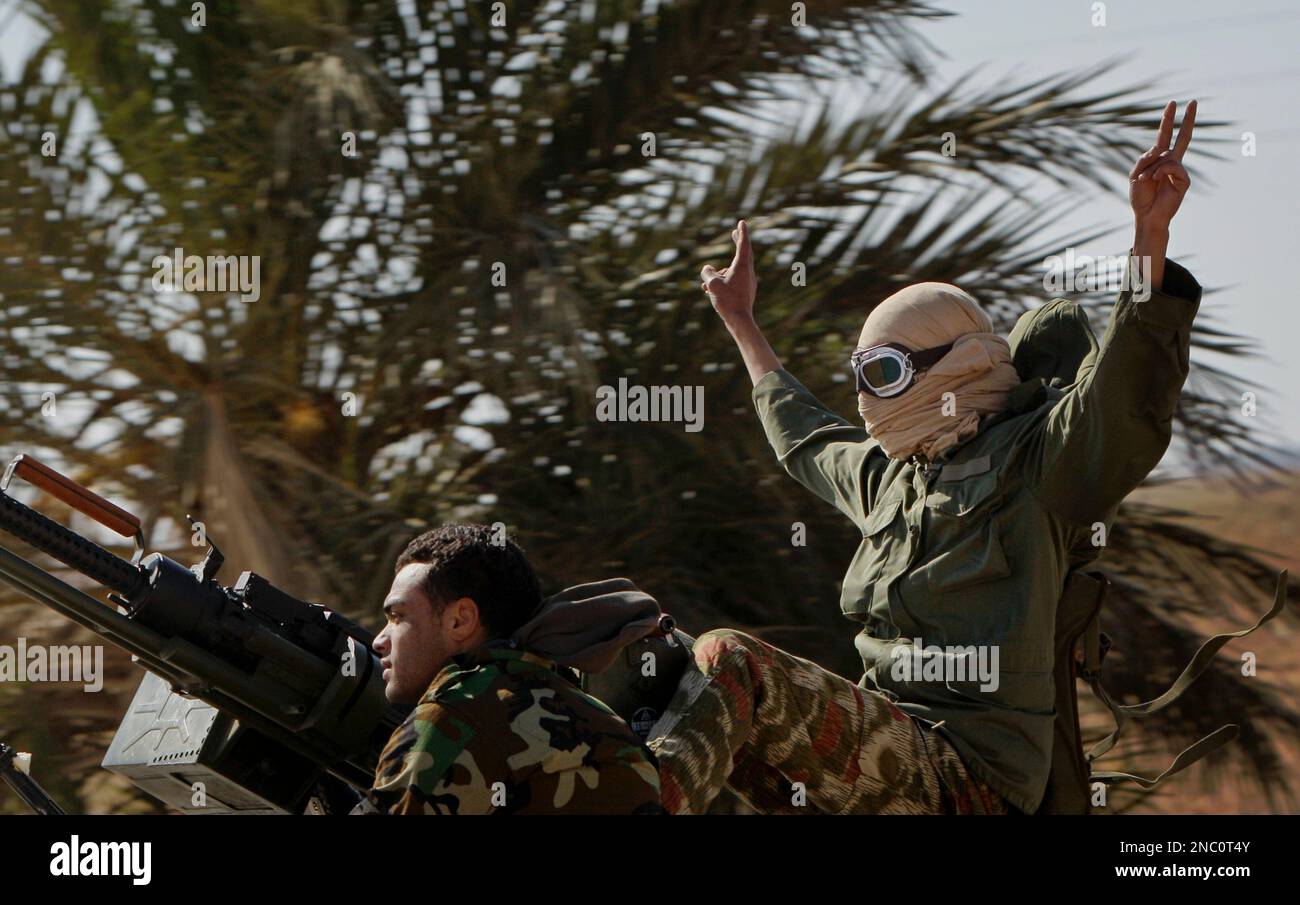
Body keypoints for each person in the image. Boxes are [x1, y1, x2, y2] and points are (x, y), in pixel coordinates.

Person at [647, 101, 1202, 815]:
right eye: (860, 377)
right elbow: (805, 437)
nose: (865, 398)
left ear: (957, 365)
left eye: (883, 373)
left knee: (732, 659)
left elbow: (1119, 393)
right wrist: (743, 322)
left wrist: (1148, 238)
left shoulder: (1038, 464)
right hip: (892, 757)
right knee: (655, 662)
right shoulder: (891, 479)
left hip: (972, 776)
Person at [357, 523, 662, 814]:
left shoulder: (465, 711)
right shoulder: (577, 705)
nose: (380, 640)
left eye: (397, 616)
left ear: (460, 621)